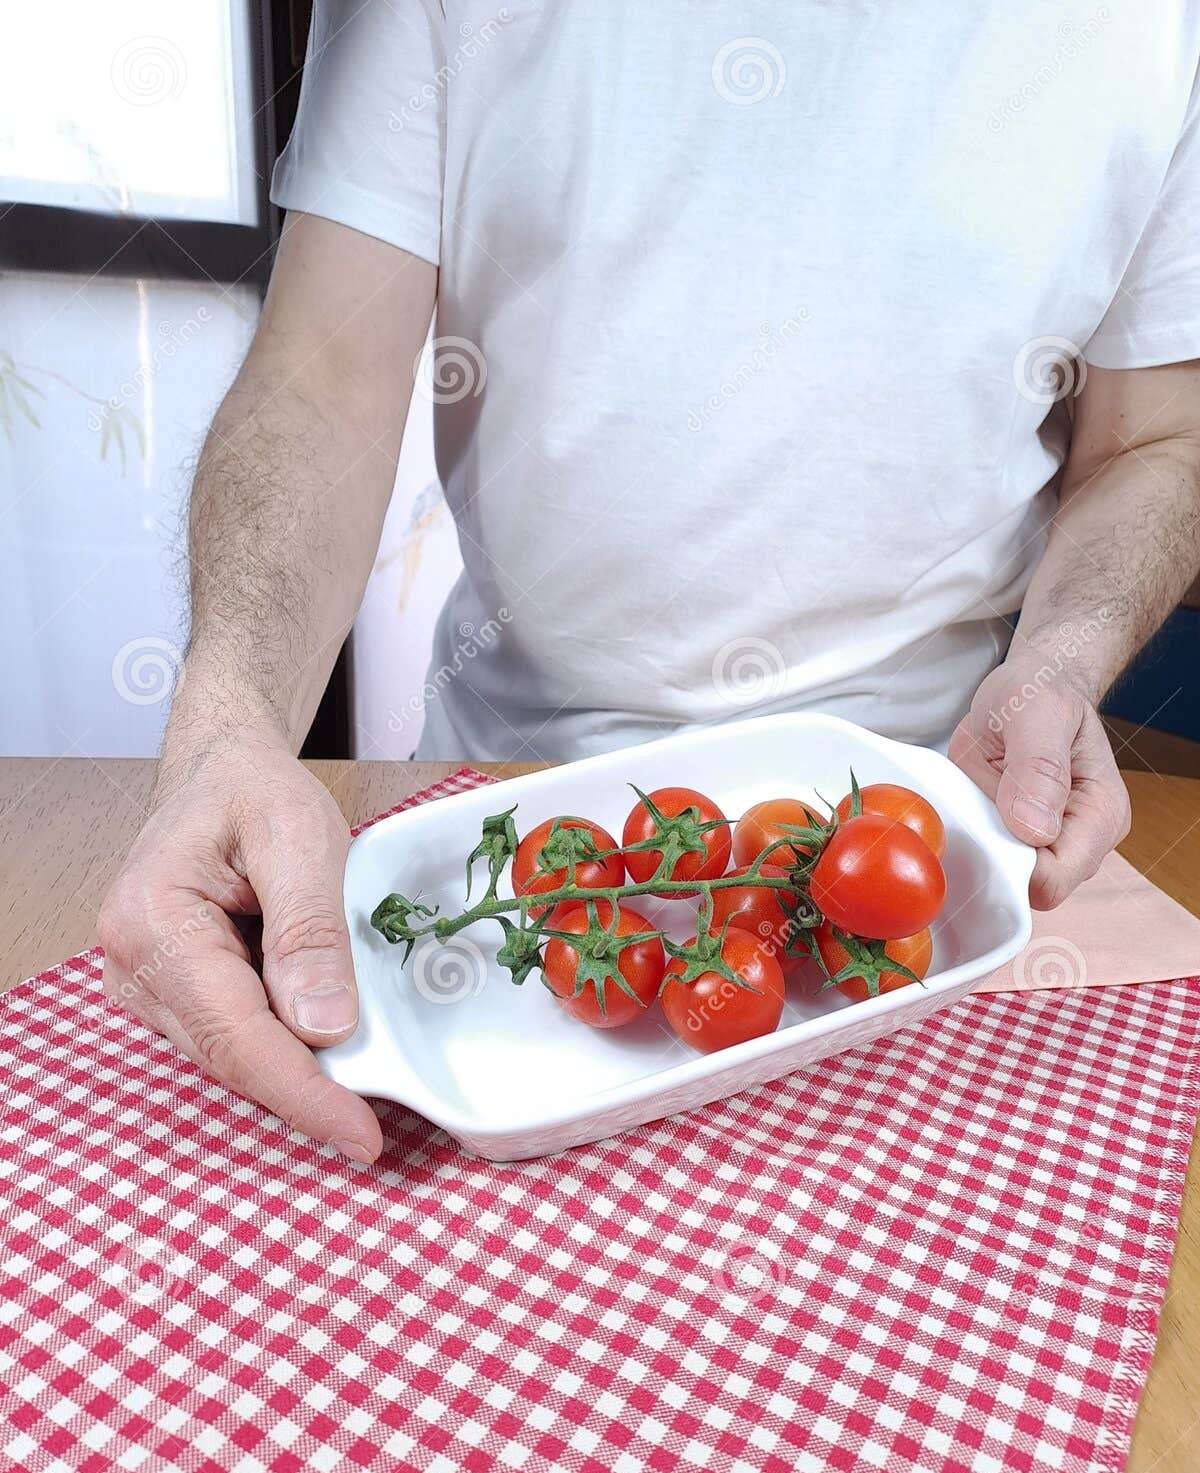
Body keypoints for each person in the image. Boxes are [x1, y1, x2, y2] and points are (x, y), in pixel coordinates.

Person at [98, 3, 1200, 1166]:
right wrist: (226, 719)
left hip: (942, 843)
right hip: (505, 822)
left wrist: (1062, 664)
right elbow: (323, 378)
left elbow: (1153, 443)